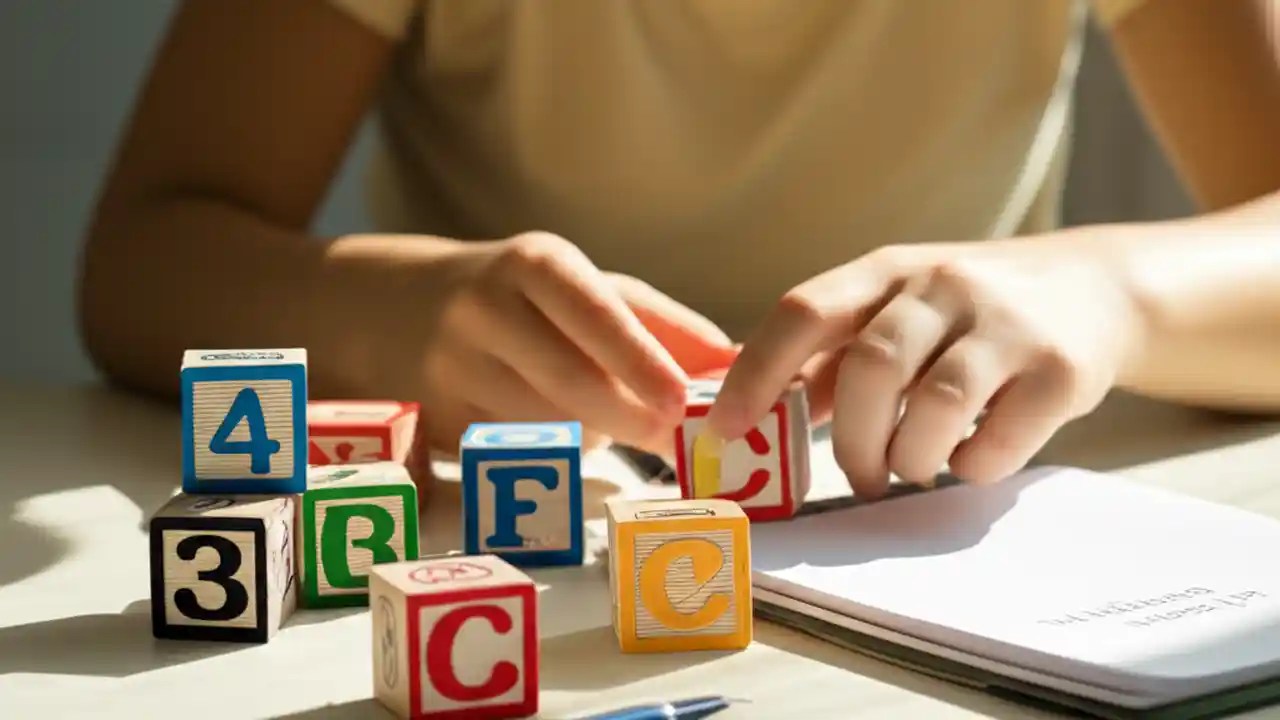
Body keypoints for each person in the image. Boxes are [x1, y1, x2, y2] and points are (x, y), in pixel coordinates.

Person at [78, 0, 1280, 499]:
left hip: (940, 523)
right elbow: (142, 257)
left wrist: (1105, 291)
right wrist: (379, 316)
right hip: (529, 556)